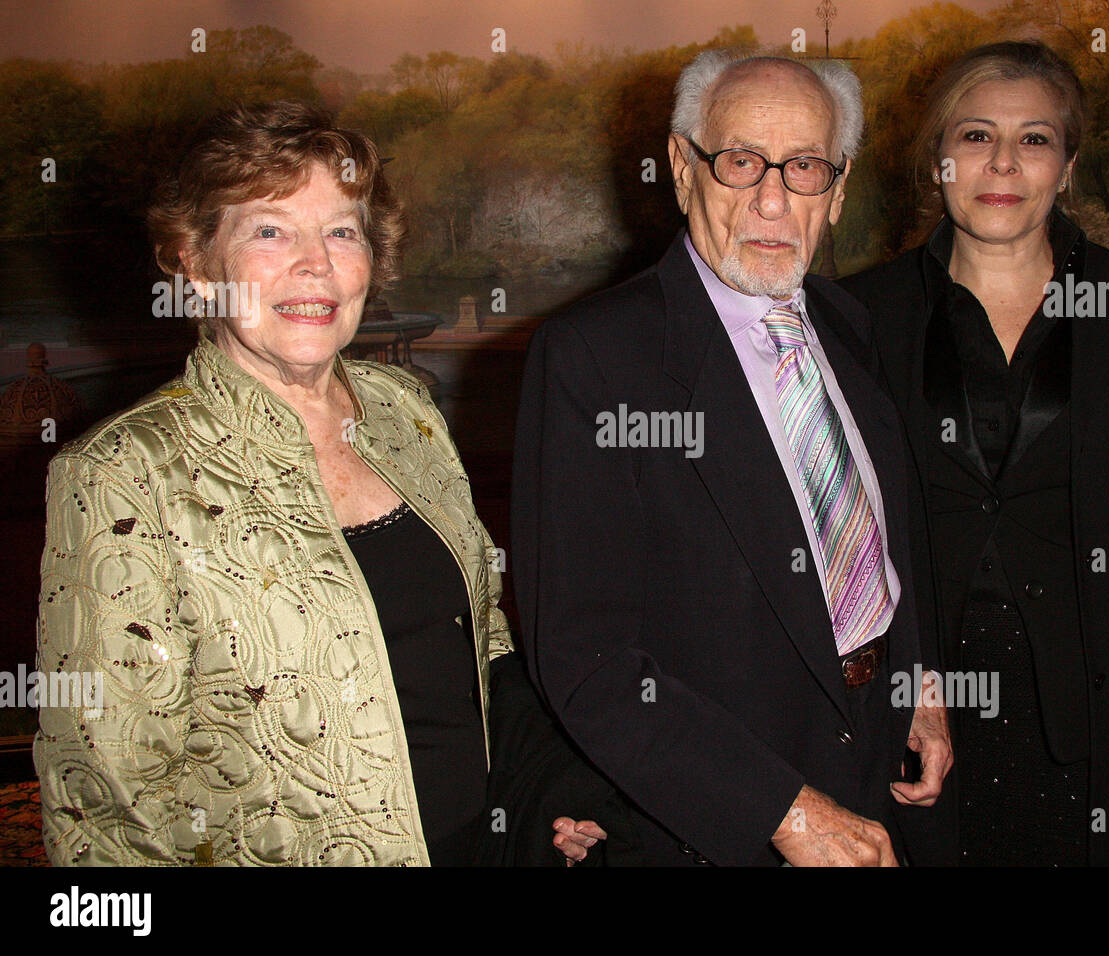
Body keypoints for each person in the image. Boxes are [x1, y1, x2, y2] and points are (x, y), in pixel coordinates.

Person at [34, 102, 608, 866]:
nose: (317, 263)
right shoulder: (120, 476)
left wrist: (549, 789)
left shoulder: (405, 409)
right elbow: (106, 813)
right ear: (195, 262)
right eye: (269, 230)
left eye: (342, 230)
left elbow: (483, 646)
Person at [511, 51, 952, 867]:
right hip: (723, 815)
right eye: (741, 160)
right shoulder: (594, 358)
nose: (773, 198)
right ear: (684, 170)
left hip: (881, 766)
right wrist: (785, 815)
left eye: (806, 166)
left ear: (840, 187)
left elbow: (886, 541)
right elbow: (586, 661)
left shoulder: (851, 328)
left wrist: (920, 688)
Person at [839, 41, 1109, 865]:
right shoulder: (861, 315)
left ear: (1066, 167)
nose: (1003, 161)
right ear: (938, 161)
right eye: (974, 136)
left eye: (1034, 139)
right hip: (926, 712)